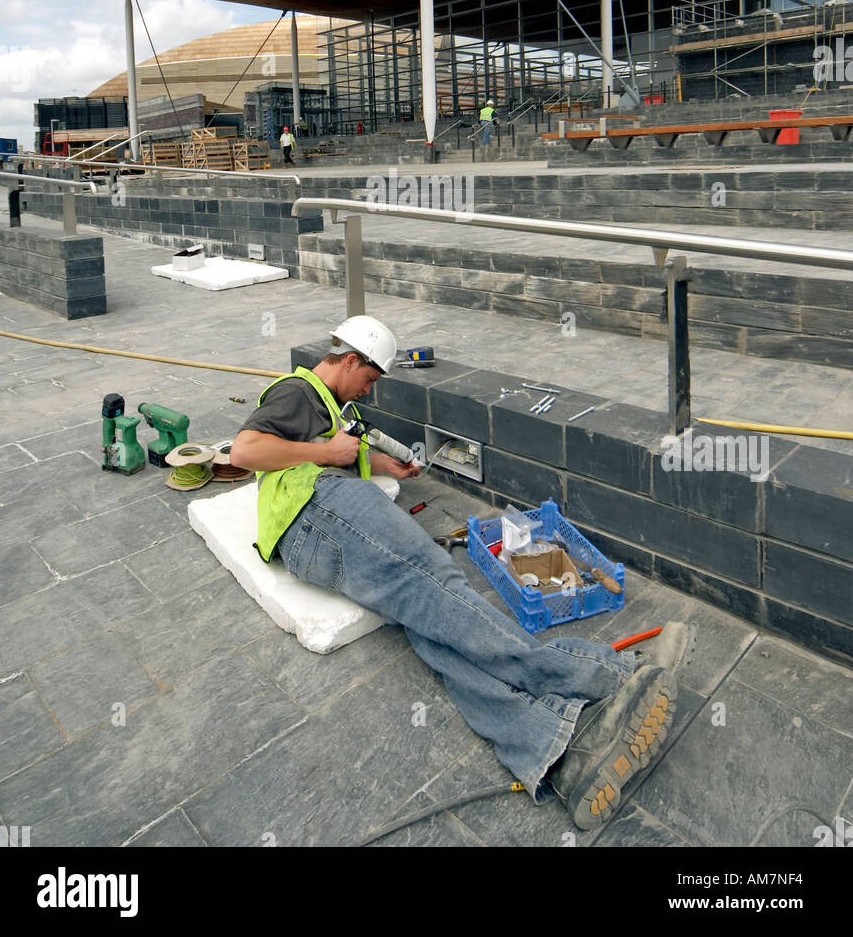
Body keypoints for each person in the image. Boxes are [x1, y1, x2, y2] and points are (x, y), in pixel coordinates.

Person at [230, 316, 687, 830]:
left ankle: (553, 746)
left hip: (313, 534)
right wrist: (327, 451)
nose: (370, 388)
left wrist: (383, 466)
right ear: (351, 359)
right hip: (318, 510)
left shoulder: (331, 407)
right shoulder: (300, 389)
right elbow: (245, 451)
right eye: (371, 378)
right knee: (435, 581)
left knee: (430, 621)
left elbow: (329, 454)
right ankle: (605, 674)